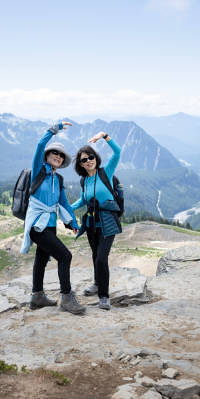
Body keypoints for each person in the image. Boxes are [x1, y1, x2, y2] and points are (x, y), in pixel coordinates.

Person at [20, 121, 85, 315]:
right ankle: (66, 297)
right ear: (47, 156)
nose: (57, 156)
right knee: (65, 256)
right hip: (36, 224)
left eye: (60, 155)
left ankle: (37, 296)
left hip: (49, 224)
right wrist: (53, 129)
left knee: (41, 258)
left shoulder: (59, 180)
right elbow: (40, 146)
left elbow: (64, 204)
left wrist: (73, 222)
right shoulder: (39, 170)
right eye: (54, 153)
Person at [71, 131, 122, 310]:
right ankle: (97, 283)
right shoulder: (84, 181)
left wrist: (104, 136)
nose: (88, 161)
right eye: (84, 160)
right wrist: (67, 208)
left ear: (95, 158)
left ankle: (104, 296)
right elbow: (83, 200)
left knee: (101, 259)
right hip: (92, 225)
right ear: (80, 164)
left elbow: (117, 153)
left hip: (107, 222)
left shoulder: (105, 173)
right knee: (95, 256)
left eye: (90, 157)